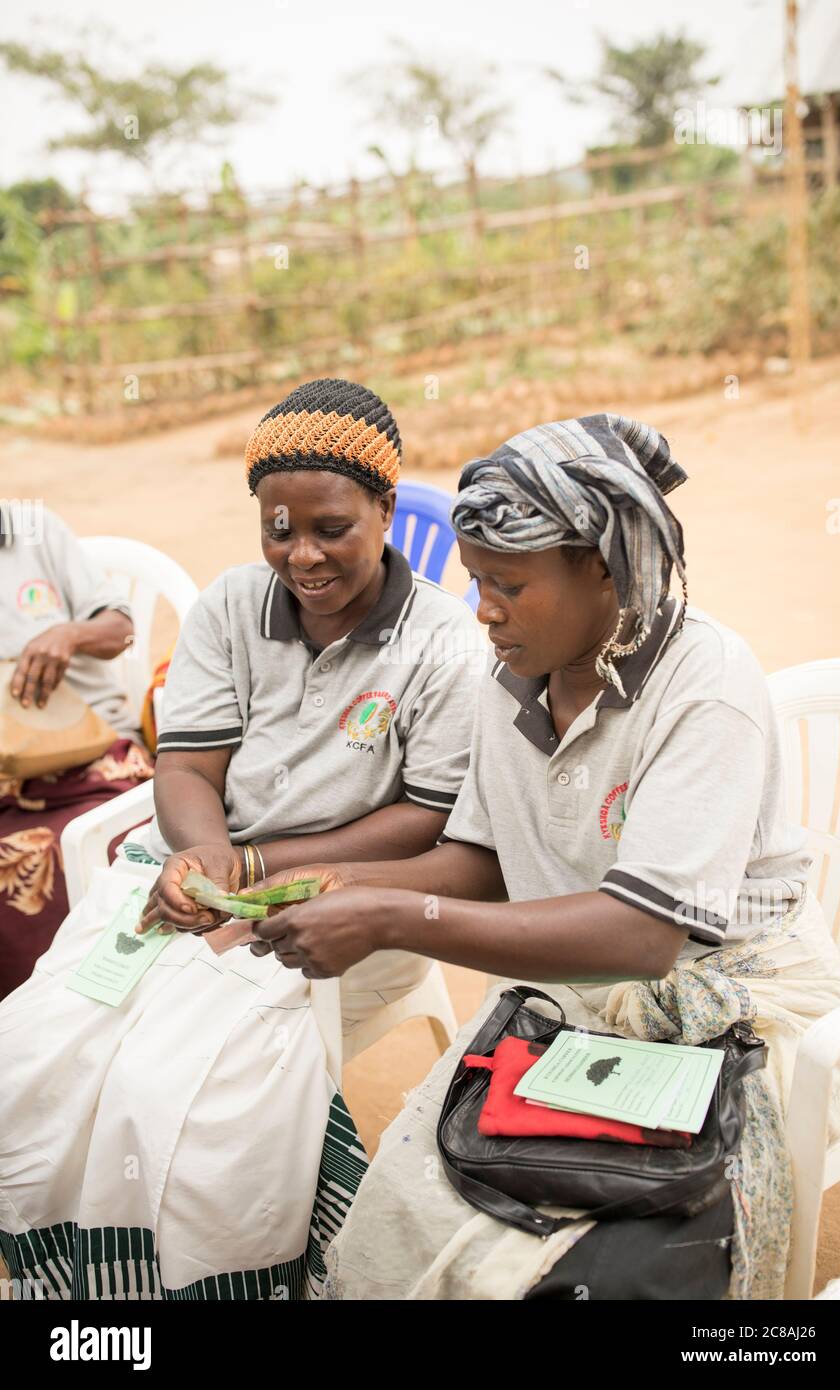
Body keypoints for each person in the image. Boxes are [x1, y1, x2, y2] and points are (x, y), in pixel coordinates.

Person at [246, 413, 840, 1301]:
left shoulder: (706, 687)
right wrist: (320, 881)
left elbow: (644, 937)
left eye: (508, 585)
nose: (483, 609)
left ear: (604, 570)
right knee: (413, 1213)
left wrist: (385, 917)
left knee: (609, 1269)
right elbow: (483, 863)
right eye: (476, 582)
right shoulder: (513, 677)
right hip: (578, 996)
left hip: (736, 1012)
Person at [0, 379, 485, 1300]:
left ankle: (204, 1284)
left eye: (331, 527)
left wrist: (255, 870)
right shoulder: (229, 606)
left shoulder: (442, 645)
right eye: (277, 527)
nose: (301, 555)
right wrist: (200, 855)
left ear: (386, 511)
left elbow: (425, 819)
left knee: (172, 1090)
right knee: (38, 1048)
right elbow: (184, 765)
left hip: (350, 906)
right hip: (203, 864)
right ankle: (84, 1291)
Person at [0, 503, 151, 998]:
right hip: (8, 774)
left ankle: (72, 1010)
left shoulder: (32, 530)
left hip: (95, 754)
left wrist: (68, 634)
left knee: (54, 852)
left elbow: (120, 629)